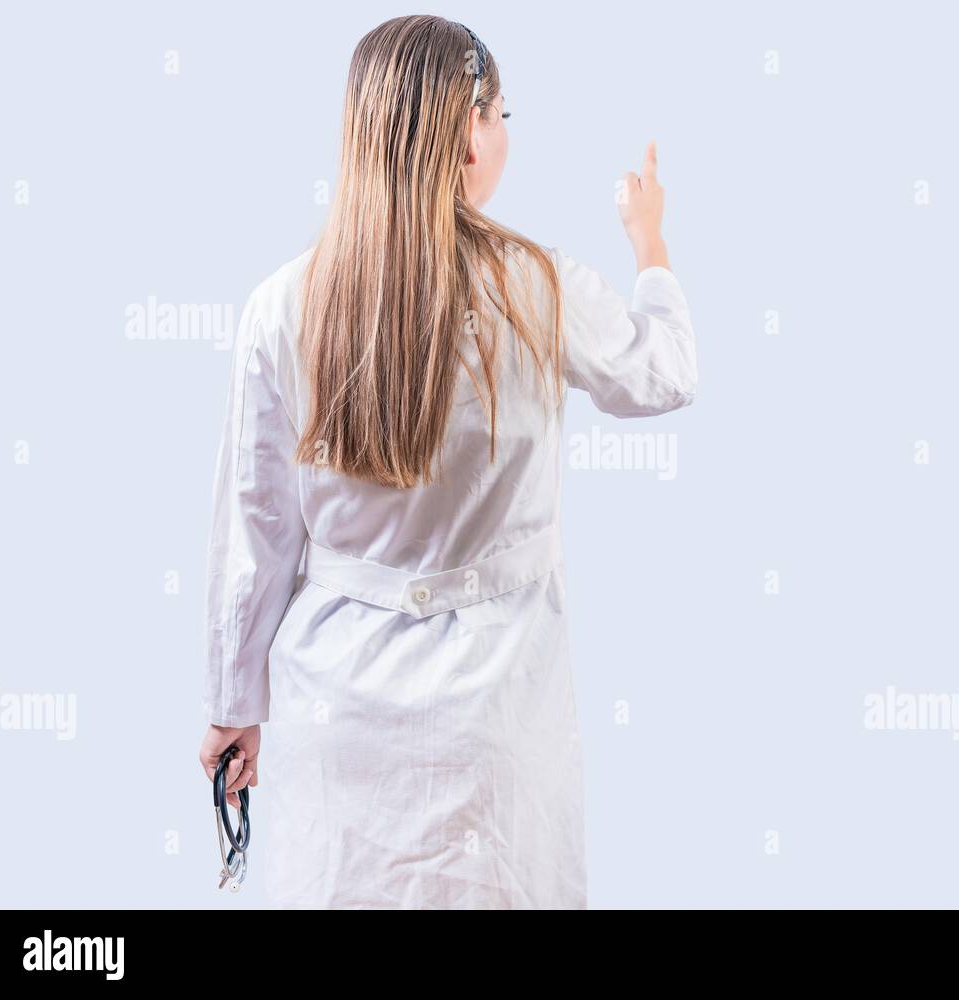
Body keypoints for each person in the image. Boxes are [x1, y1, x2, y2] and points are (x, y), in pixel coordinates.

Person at [195, 14, 696, 908]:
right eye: (502, 114)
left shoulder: (282, 305)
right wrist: (648, 241)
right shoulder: (538, 286)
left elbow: (258, 523)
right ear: (468, 132)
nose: (505, 134)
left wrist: (236, 702)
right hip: (499, 715)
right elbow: (662, 377)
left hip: (339, 714)